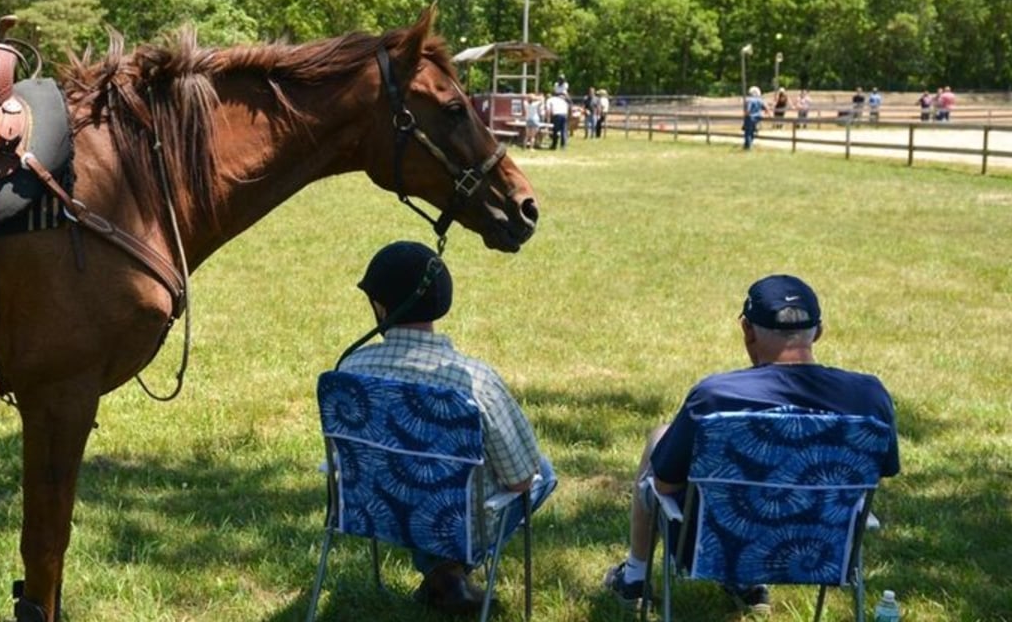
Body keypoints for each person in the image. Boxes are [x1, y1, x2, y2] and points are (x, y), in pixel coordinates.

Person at [602, 275, 900, 612]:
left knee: (661, 437)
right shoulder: (869, 398)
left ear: (748, 330)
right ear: (818, 332)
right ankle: (748, 585)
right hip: (822, 549)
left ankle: (635, 578)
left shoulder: (715, 398)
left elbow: (666, 484)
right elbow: (883, 471)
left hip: (711, 546)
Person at [339, 242, 549, 617]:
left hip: (375, 510)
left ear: (380, 307)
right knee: (542, 473)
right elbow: (520, 482)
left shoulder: (349, 372)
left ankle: (442, 573)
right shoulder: (474, 381)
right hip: (456, 522)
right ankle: (449, 570)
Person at [741, 86, 765, 150]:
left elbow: (748, 110)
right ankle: (747, 145)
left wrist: (746, 115)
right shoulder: (760, 100)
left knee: (748, 132)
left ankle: (748, 146)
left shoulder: (749, 100)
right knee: (753, 132)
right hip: (758, 118)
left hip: (750, 118)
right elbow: (765, 108)